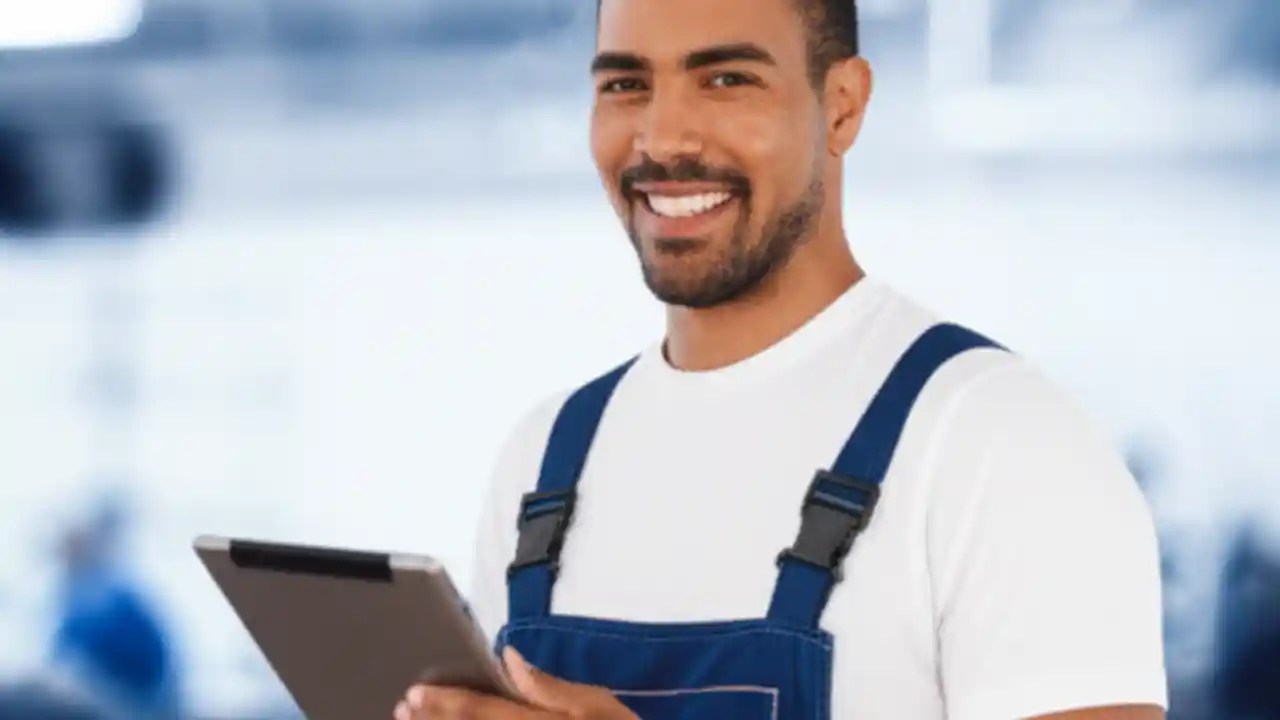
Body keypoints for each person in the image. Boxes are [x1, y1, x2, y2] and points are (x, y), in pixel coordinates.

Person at [396, 0, 1168, 717]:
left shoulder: (1003, 444)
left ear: (843, 105)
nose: (662, 139)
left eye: (726, 79)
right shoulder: (541, 462)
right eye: (627, 84)